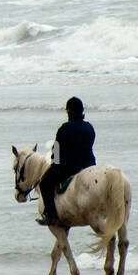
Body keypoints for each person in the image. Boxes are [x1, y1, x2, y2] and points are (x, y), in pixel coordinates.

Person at [36, 97, 96, 226]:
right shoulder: (89, 127)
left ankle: (51, 216)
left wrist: (54, 163)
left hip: (68, 167)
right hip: (89, 166)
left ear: (69, 111)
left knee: (45, 183)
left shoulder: (65, 128)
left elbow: (56, 152)